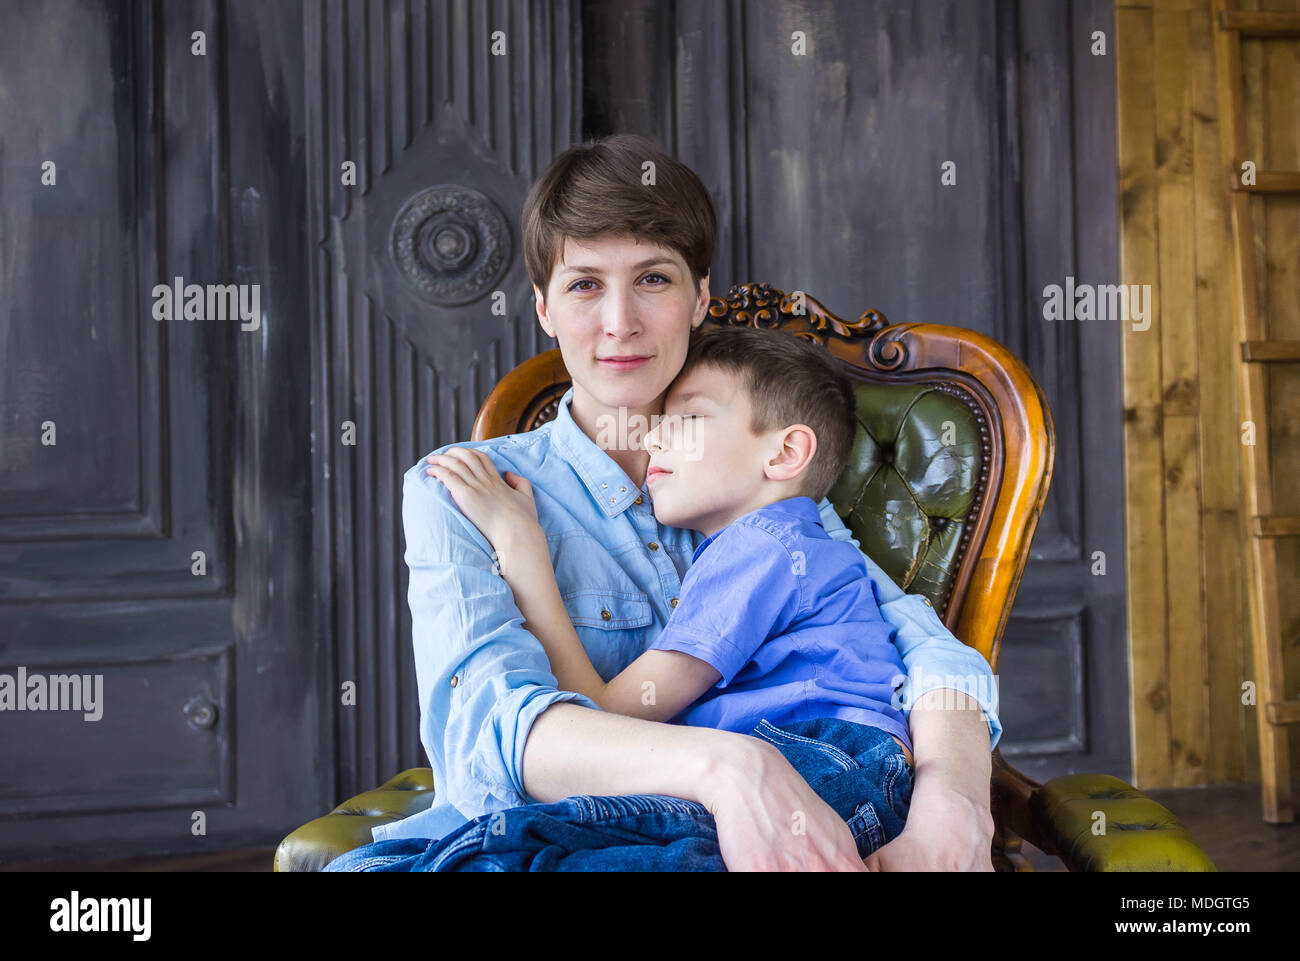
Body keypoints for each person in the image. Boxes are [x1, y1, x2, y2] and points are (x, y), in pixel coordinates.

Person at [323, 133, 999, 873]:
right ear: (543, 308)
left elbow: (926, 650)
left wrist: (954, 804)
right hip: (584, 824)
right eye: (585, 285)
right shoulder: (462, 488)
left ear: (700, 297)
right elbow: (498, 740)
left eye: (653, 278)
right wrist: (730, 767)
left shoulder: (755, 479)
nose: (620, 323)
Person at [405, 324, 919, 869]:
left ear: (786, 452)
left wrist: (524, 551)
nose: (652, 438)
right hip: (825, 769)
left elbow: (611, 710)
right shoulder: (783, 543)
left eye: (689, 420)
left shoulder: (762, 546)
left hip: (825, 761)